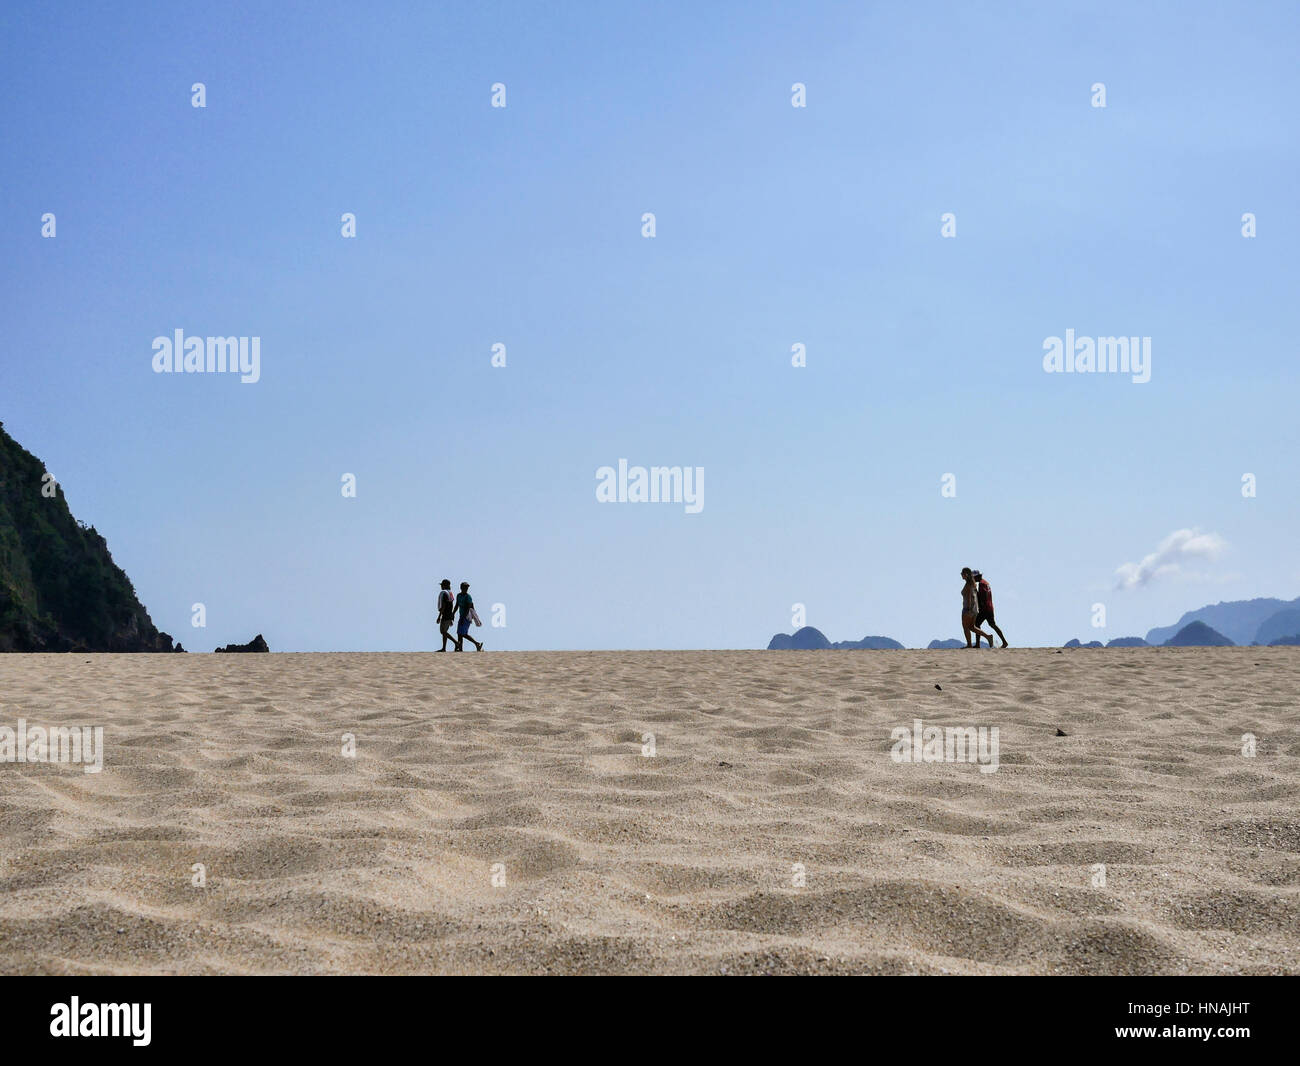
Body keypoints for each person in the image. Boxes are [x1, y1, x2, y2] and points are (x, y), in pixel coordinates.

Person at [972, 570, 1009, 648]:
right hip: (989, 608)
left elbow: (983, 596)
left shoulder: (982, 584)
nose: (973, 579)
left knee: (976, 624)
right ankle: (1004, 642)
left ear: (976, 577)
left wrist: (980, 602)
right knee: (992, 624)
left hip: (985, 609)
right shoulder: (986, 583)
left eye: (973, 577)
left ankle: (978, 644)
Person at [961, 567, 995, 648]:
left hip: (968, 608)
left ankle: (969, 645)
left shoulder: (968, 584)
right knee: (972, 627)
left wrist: (968, 609)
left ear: (965, 574)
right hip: (975, 609)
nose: (961, 575)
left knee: (965, 627)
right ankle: (988, 637)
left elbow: (969, 596)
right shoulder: (973, 583)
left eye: (962, 573)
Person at [454, 581, 484, 652]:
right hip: (462, 616)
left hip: (466, 617)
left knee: (462, 634)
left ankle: (476, 644)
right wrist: (453, 613)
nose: (466, 588)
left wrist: (463, 618)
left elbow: (468, 608)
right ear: (461, 588)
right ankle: (462, 648)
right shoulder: (459, 595)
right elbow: (456, 605)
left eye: (467, 587)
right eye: (465, 587)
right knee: (460, 633)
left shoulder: (468, 597)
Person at [435, 578, 457, 651]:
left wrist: (439, 616)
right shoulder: (450, 593)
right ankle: (444, 648)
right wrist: (451, 617)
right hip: (449, 614)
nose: (441, 586)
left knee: (443, 632)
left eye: (442, 585)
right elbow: (451, 605)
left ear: (445, 585)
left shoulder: (444, 593)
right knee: (444, 632)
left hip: (445, 615)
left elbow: (443, 606)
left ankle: (456, 642)